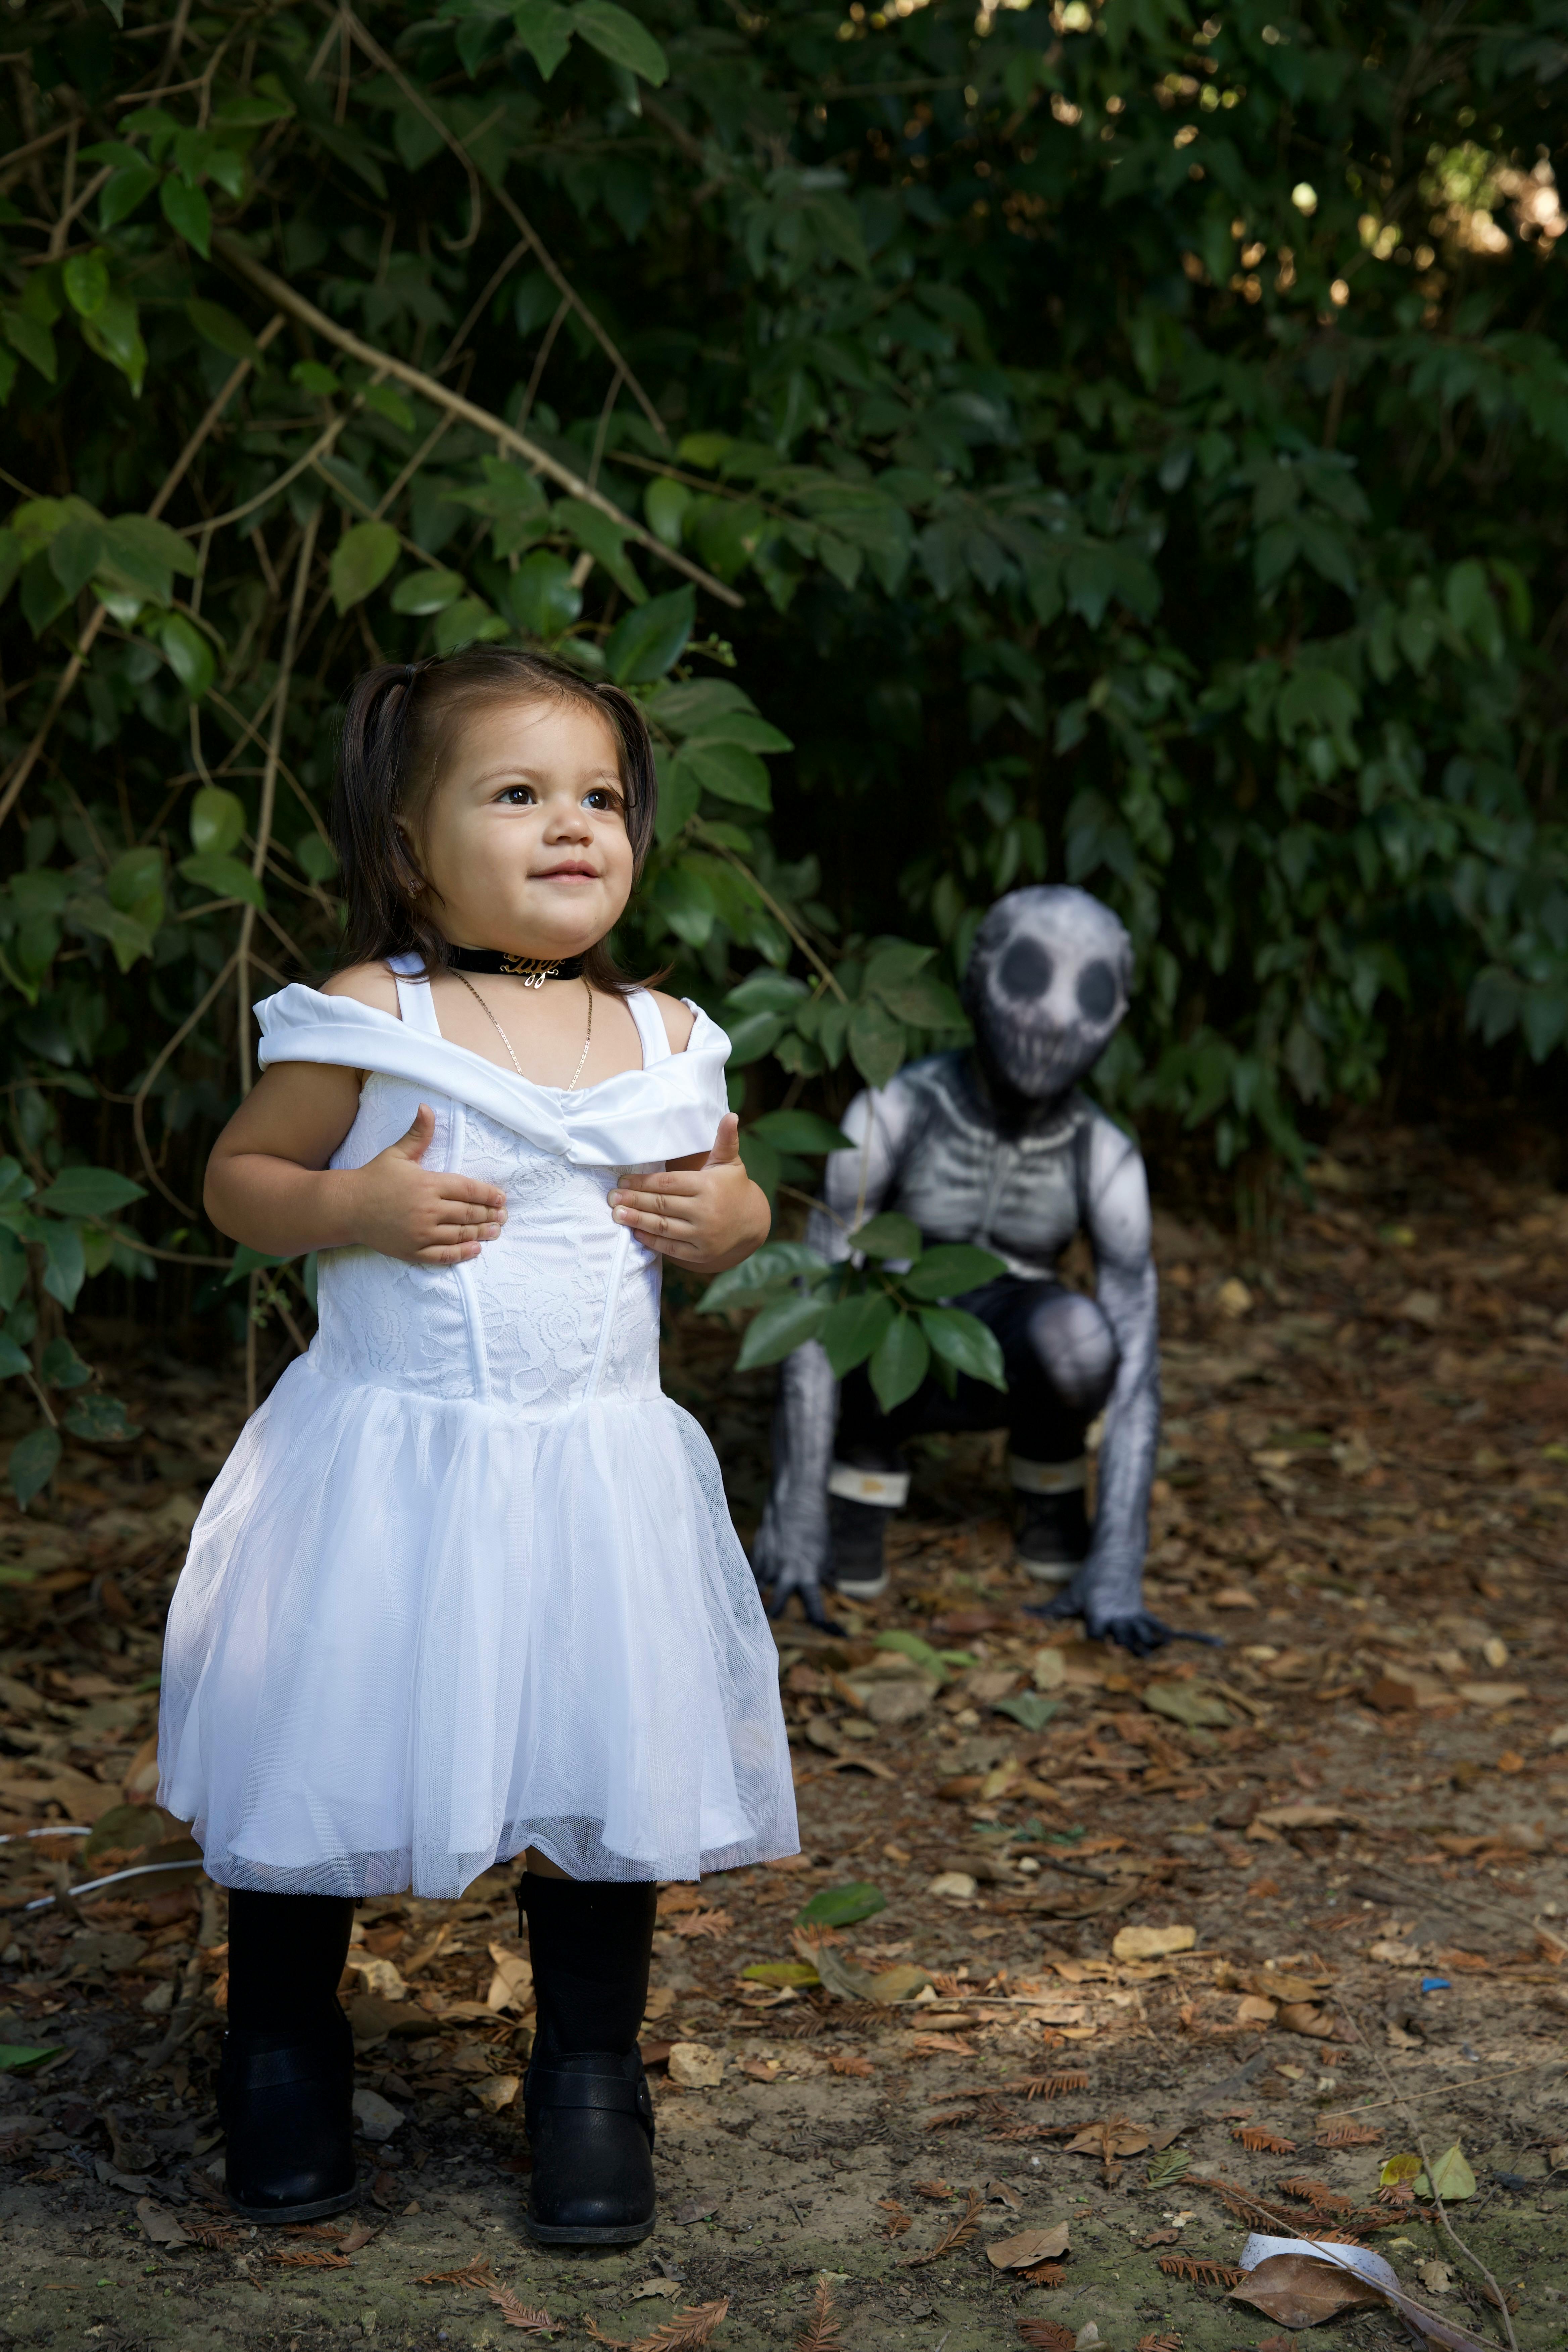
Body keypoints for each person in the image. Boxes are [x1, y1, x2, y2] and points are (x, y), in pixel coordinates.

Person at [158, 646, 797, 2246]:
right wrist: (350, 1206)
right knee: (323, 1749)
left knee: (600, 1773)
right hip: (392, 1476)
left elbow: (733, 1202)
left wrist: (730, 1218)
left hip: (595, 1478)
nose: (570, 824)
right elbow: (241, 1180)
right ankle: (282, 2047)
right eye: (516, 795)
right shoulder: (377, 1017)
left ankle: (590, 2074)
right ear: (408, 848)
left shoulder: (664, 1035)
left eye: (597, 798)